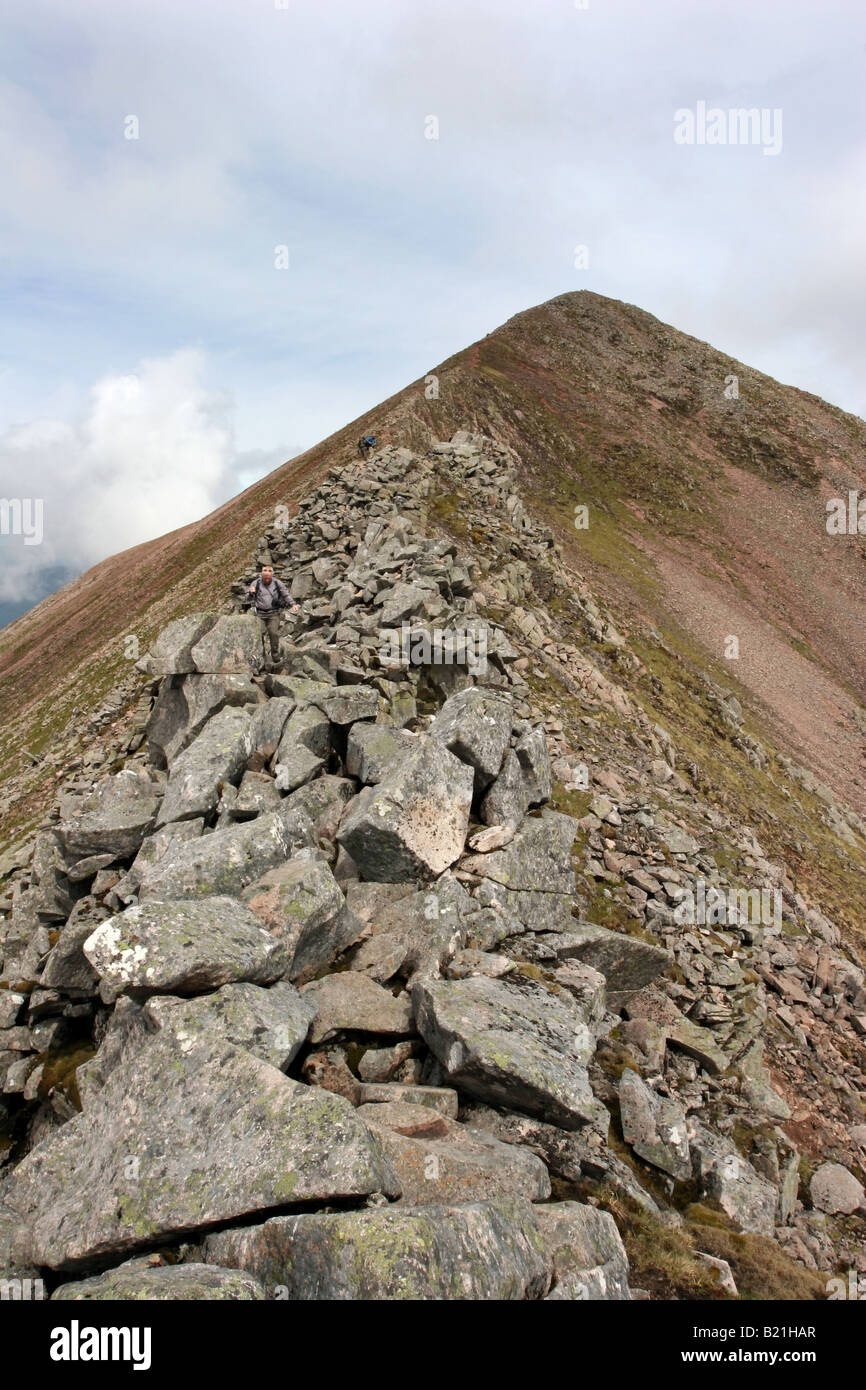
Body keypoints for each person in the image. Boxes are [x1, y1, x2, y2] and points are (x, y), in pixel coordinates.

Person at [248, 565, 298, 667]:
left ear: (272, 573)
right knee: (259, 634)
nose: (267, 573)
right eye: (265, 570)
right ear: (261, 573)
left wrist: (293, 604)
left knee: (273, 633)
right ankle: (260, 656)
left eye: (269, 571)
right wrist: (250, 593)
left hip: (273, 613)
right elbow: (247, 598)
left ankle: (275, 656)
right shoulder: (256, 583)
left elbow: (285, 594)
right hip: (260, 614)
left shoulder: (277, 583)